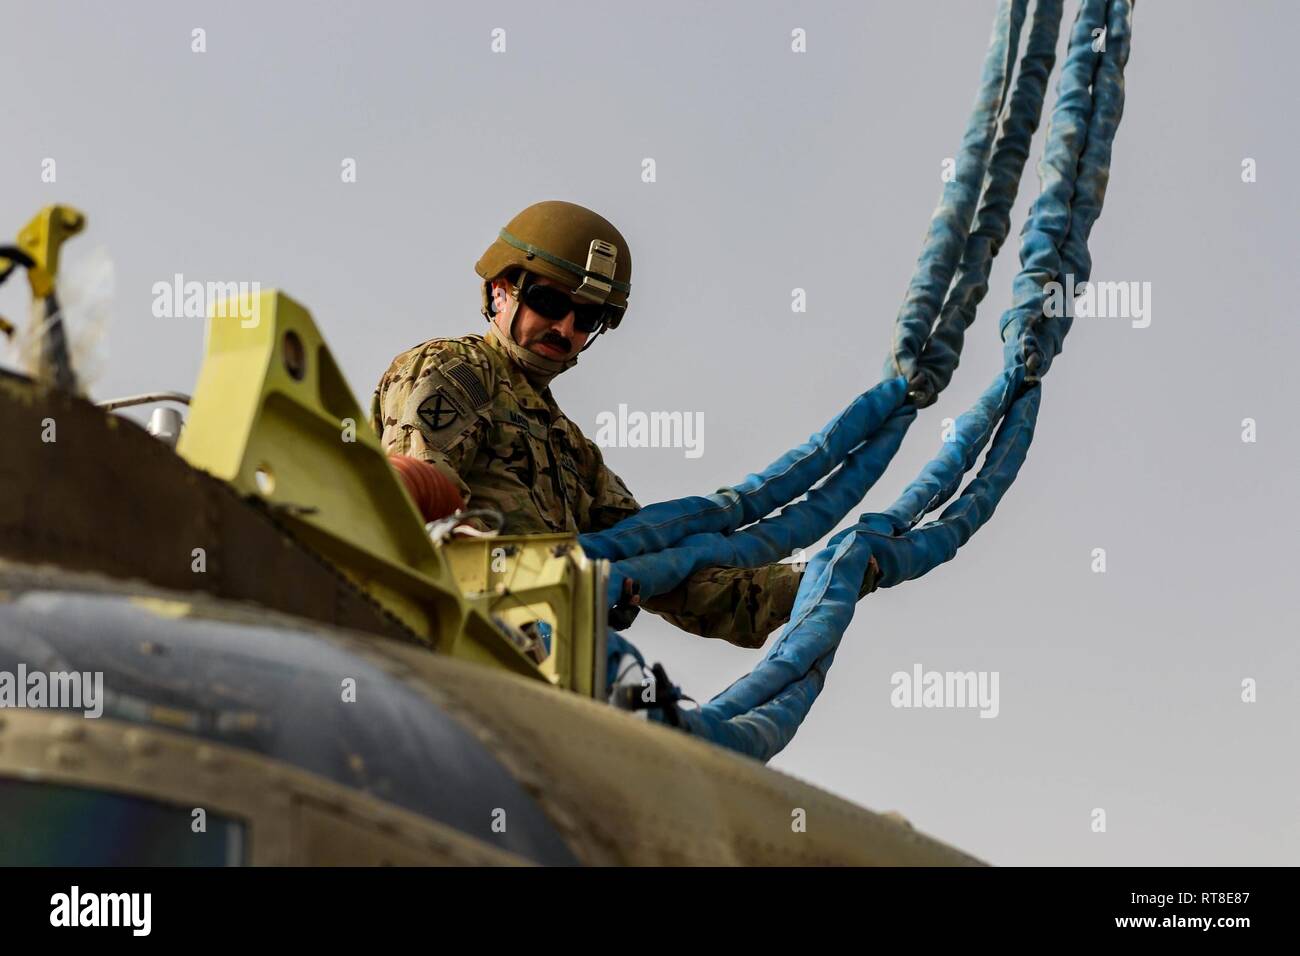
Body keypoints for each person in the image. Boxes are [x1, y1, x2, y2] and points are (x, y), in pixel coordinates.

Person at [371, 200, 876, 649]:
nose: (566, 328)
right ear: (501, 291)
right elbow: (419, 501)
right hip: (440, 635)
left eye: (586, 318)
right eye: (550, 302)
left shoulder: (570, 448)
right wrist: (533, 575)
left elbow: (666, 565)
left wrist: (823, 578)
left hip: (532, 660)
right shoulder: (456, 369)